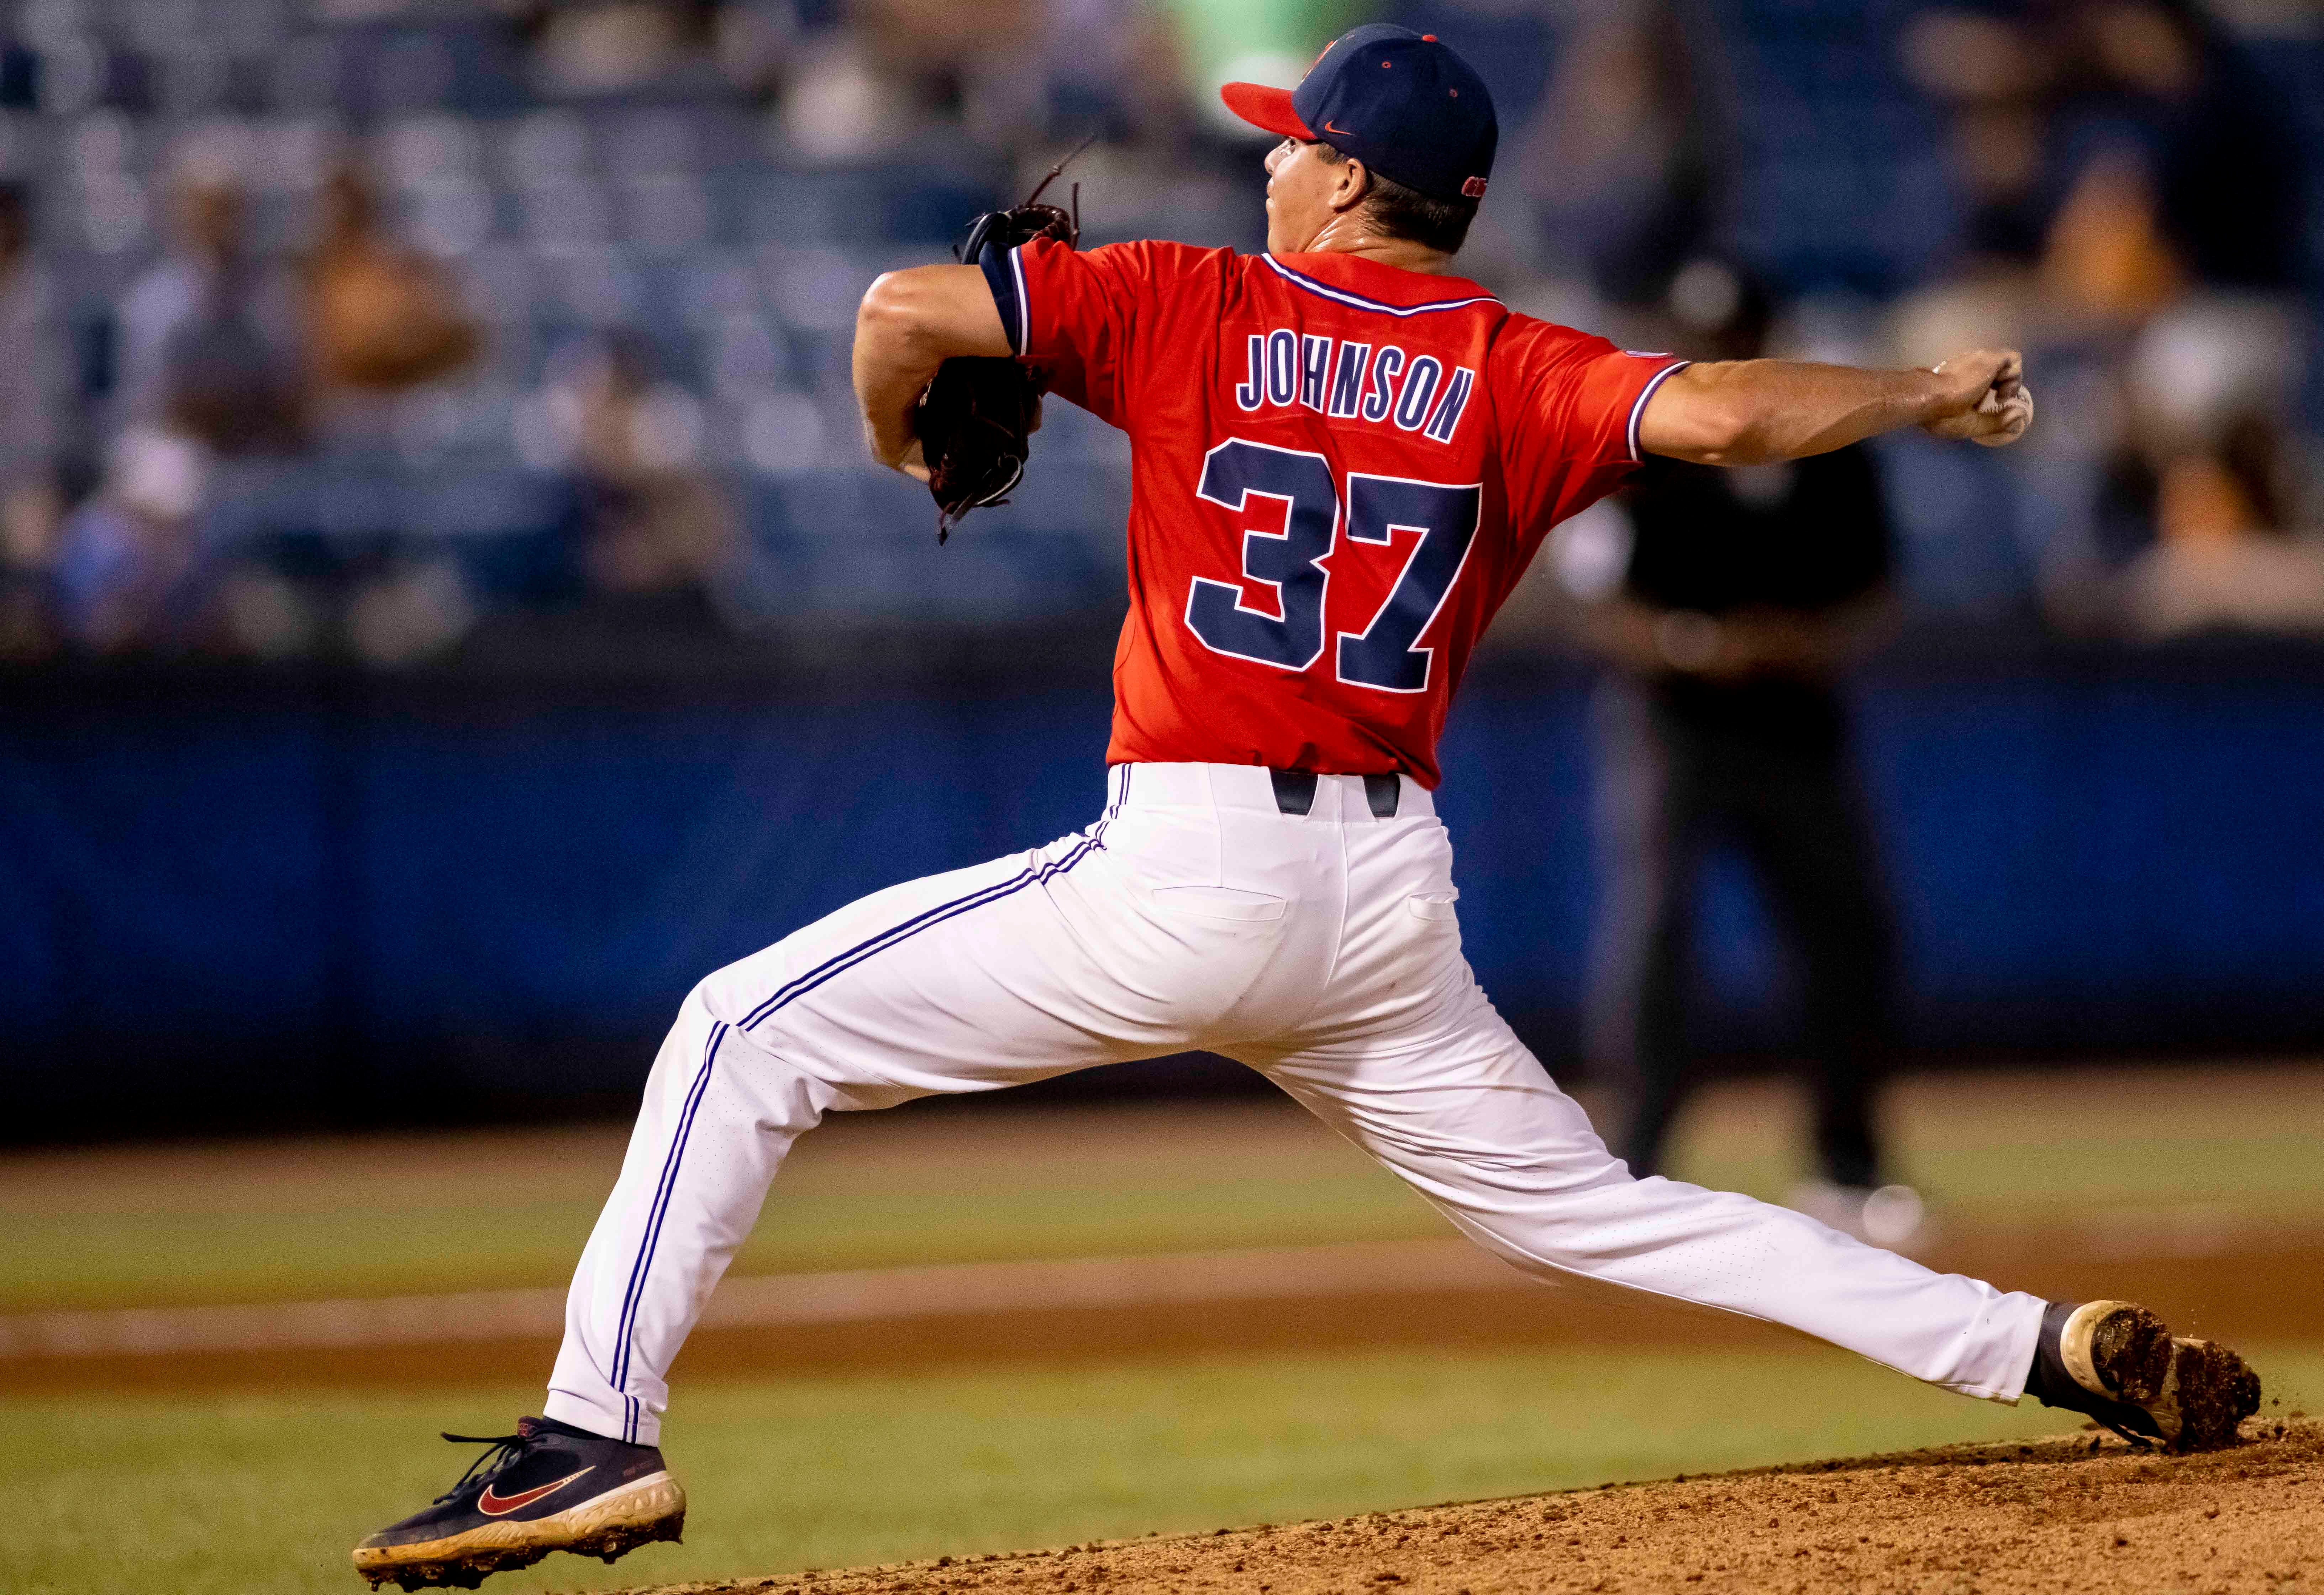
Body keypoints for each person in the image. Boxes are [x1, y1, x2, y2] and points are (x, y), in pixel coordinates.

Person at [351, 27, 2255, 1591]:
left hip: (1187, 868)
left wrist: (900, 441)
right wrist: (1928, 388)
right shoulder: (1513, 365)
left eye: (1288, 142)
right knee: (1611, 1213)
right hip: (1383, 911)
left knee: (736, 1026)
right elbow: (1737, 418)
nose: (1266, 160)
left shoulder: (1189, 298)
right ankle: (2029, 1342)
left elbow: (896, 307)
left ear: (1345, 179)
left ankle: (590, 1434)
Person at [1572, 266, 1918, 1246]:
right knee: (1656, 935)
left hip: (1797, 721)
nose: (1722, 362)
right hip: (1674, 723)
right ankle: (1635, 1162)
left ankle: (1850, 1164)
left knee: (1845, 934)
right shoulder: (1640, 445)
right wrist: (1694, 647)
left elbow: (1877, 591)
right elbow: (1592, 600)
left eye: (1737, 343)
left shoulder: (1831, 446)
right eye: (1706, 347)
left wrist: (1801, 644)